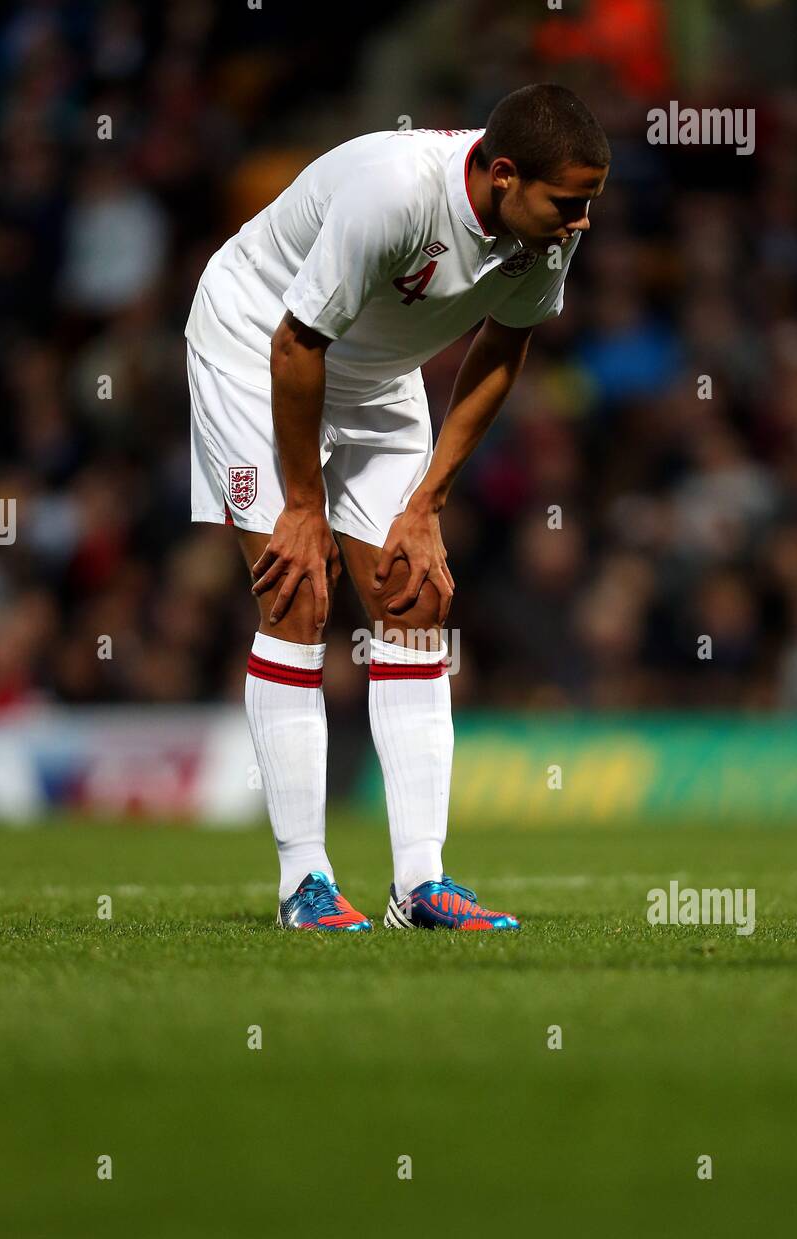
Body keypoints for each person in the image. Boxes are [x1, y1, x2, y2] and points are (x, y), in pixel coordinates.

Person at [185, 84, 610, 931]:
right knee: (297, 593)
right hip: (256, 343)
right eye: (568, 203)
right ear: (502, 176)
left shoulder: (547, 228)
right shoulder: (395, 192)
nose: (581, 223)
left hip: (374, 376)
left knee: (414, 596)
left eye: (590, 203)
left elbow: (501, 348)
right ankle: (304, 884)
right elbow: (298, 340)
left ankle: (421, 886)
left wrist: (428, 502)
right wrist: (304, 505)